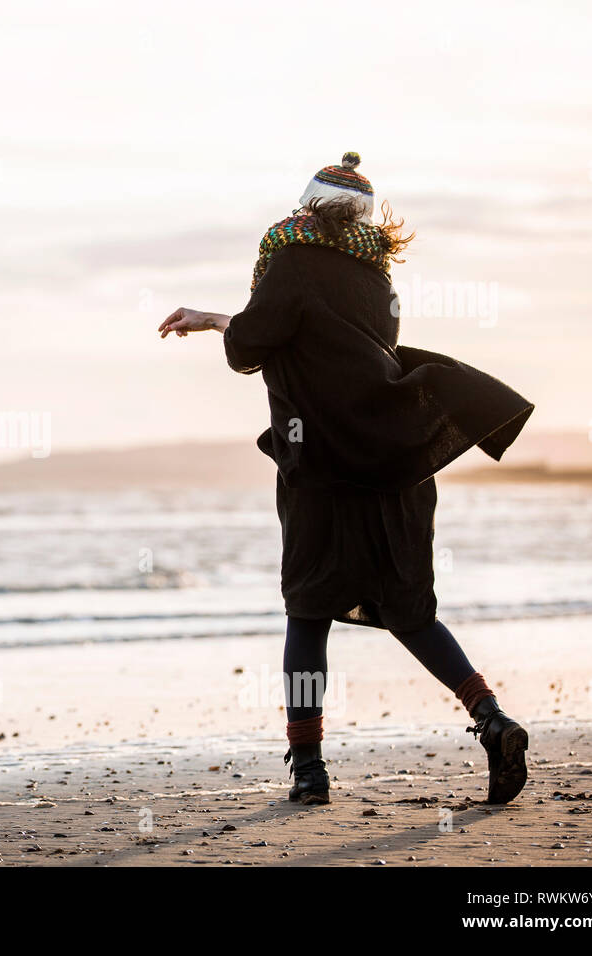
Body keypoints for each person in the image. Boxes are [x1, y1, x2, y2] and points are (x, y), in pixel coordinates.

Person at [158, 153, 534, 806]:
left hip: (322, 472)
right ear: (362, 218)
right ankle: (492, 717)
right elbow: (335, 346)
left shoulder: (291, 260)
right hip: (395, 470)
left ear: (307, 207)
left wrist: (215, 318)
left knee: (308, 613)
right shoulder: (377, 276)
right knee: (411, 614)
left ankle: (309, 769)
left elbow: (252, 346)